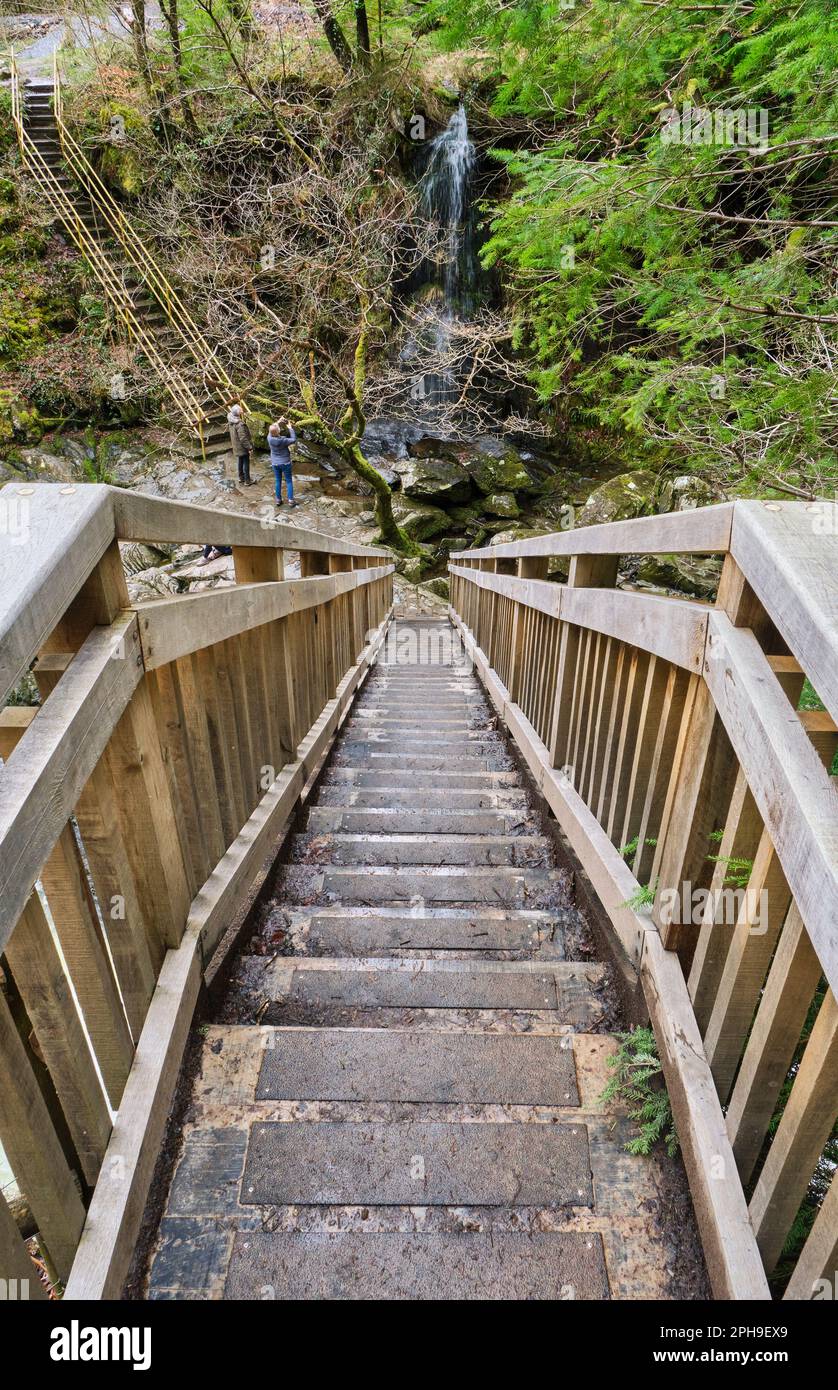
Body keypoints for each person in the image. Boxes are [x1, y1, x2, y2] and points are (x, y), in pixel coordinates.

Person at [267, 417, 298, 508]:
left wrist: (278, 422)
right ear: (279, 431)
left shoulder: (269, 438)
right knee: (288, 481)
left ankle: (278, 500)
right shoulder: (283, 440)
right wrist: (290, 428)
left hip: (275, 463)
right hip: (285, 463)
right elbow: (293, 439)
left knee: (278, 481)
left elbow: (271, 430)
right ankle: (291, 500)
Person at [227, 403, 254, 486]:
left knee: (240, 461)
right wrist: (249, 447)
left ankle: (241, 478)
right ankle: (247, 480)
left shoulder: (231, 419)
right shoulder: (239, 424)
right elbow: (243, 438)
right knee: (246, 463)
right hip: (242, 447)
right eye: (240, 410)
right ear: (237, 413)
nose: (242, 410)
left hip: (236, 446)